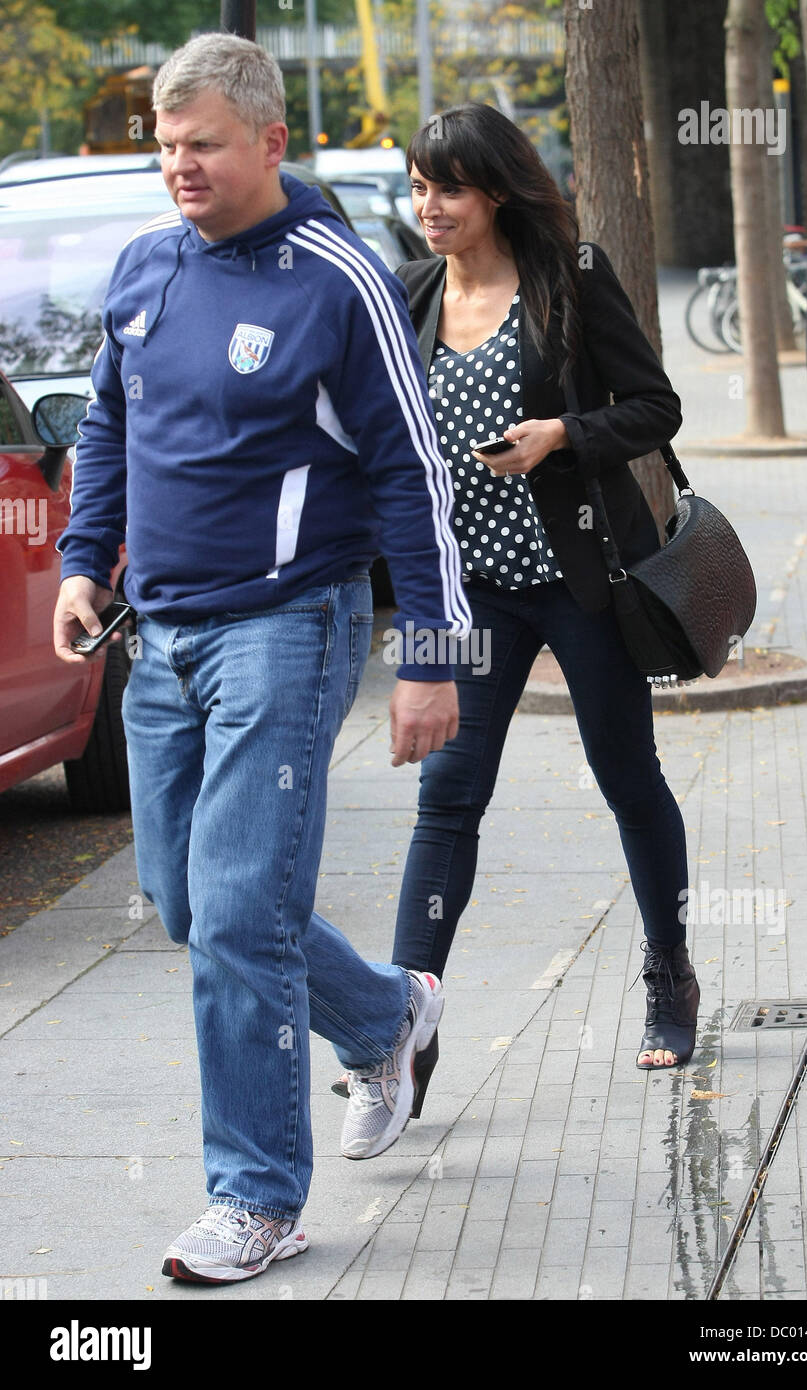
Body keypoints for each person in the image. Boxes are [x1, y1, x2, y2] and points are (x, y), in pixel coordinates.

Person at [52, 34, 470, 1284]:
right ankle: (386, 1013)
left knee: (238, 915)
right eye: (166, 147)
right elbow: (111, 426)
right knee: (193, 905)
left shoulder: (335, 277)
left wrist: (432, 656)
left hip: (288, 627)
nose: (179, 168)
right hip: (161, 637)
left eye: (204, 147)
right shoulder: (144, 267)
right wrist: (84, 559)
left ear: (272, 143)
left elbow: (413, 472)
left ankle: (256, 1198)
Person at [333, 103, 700, 1127]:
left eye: (446, 187)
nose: (428, 207)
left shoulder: (567, 279)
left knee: (628, 776)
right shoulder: (407, 296)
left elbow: (655, 407)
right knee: (445, 798)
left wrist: (559, 436)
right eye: (415, 187)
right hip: (459, 591)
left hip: (577, 579)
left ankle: (668, 970)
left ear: (494, 189)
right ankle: (398, 1034)